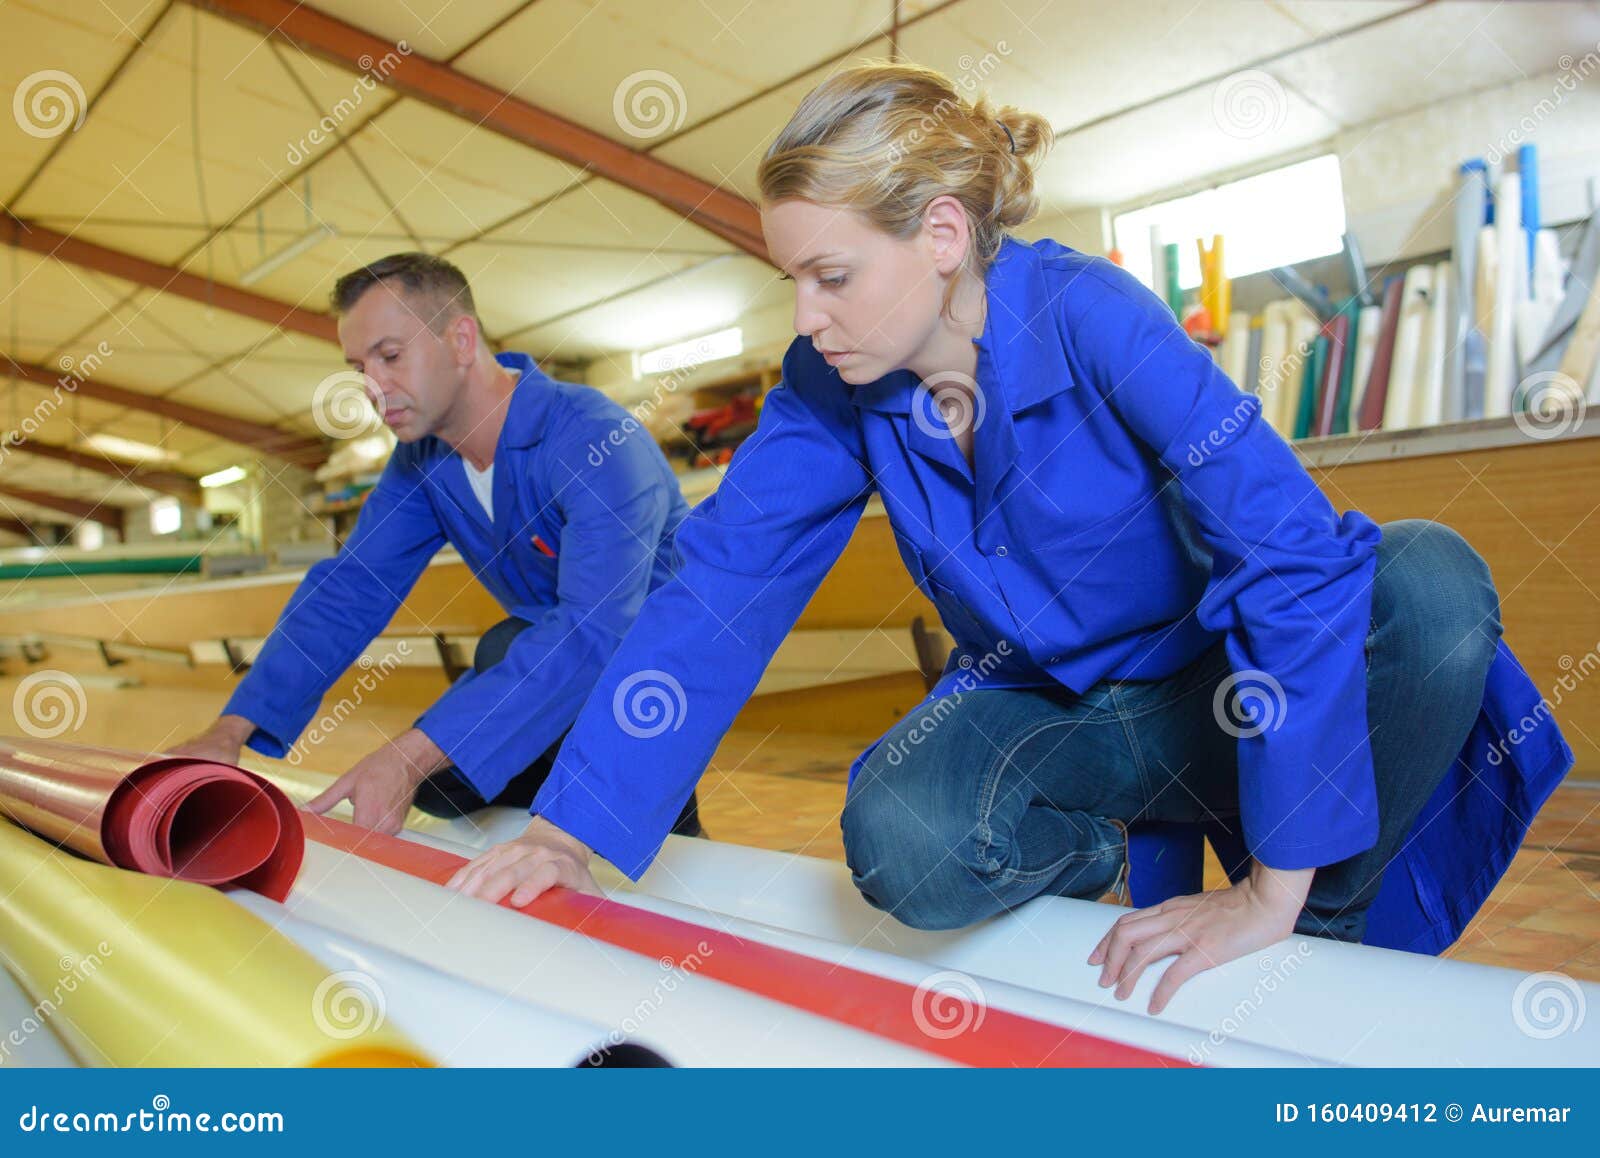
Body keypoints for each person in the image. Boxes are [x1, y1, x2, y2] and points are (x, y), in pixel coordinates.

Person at [444, 64, 1570, 1012]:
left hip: (1219, 693)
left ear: (941, 235)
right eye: (791, 281)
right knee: (906, 832)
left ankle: (1317, 921)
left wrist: (1270, 890)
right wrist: (569, 828)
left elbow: (1286, 549)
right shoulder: (829, 385)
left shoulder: (1092, 312)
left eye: (830, 277)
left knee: (1425, 583)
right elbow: (719, 582)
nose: (805, 317)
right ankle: (1100, 855)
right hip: (1054, 715)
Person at [172, 252, 703, 838]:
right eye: (359, 367)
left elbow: (594, 628)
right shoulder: (422, 465)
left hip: (658, 672)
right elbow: (351, 591)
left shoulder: (595, 438)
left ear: (461, 339)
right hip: (559, 656)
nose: (373, 388)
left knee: (489, 678)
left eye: (391, 356)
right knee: (444, 782)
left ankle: (666, 828)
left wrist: (409, 753)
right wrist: (233, 727)